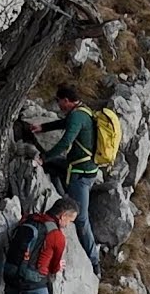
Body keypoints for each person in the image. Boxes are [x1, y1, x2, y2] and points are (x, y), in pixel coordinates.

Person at [30, 85, 101, 275]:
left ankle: (94, 262)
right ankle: (62, 193)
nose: (58, 104)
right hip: (76, 167)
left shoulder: (77, 116)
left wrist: (44, 157)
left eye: (59, 101)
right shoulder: (81, 111)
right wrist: (43, 127)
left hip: (81, 173)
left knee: (82, 219)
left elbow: (65, 142)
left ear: (67, 100)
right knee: (52, 168)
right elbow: (65, 124)